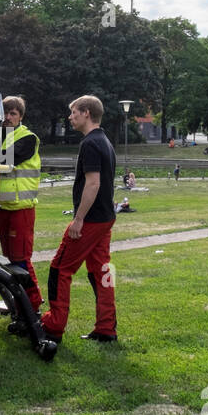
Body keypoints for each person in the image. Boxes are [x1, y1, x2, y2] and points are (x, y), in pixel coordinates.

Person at [40, 95, 116, 344]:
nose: (70, 117)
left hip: (92, 220)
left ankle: (54, 325)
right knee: (101, 271)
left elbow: (93, 184)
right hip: (106, 217)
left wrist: (78, 219)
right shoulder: (105, 141)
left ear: (85, 113)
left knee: (60, 268)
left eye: (73, 113)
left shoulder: (90, 144)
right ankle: (106, 328)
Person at [0, 96, 44, 312]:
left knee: (21, 260)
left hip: (21, 209)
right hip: (3, 208)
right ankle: (20, 302)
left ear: (21, 117)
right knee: (10, 259)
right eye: (5, 113)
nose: (8, 117)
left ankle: (33, 304)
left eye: (13, 113)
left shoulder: (28, 138)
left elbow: (4, 158)